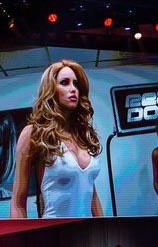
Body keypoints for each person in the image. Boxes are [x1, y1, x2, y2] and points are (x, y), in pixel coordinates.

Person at [10, 60, 103, 218]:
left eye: (76, 84)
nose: (73, 89)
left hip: (88, 233)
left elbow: (91, 194)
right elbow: (18, 203)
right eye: (65, 83)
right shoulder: (33, 133)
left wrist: (104, 230)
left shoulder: (82, 134)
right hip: (54, 233)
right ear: (51, 89)